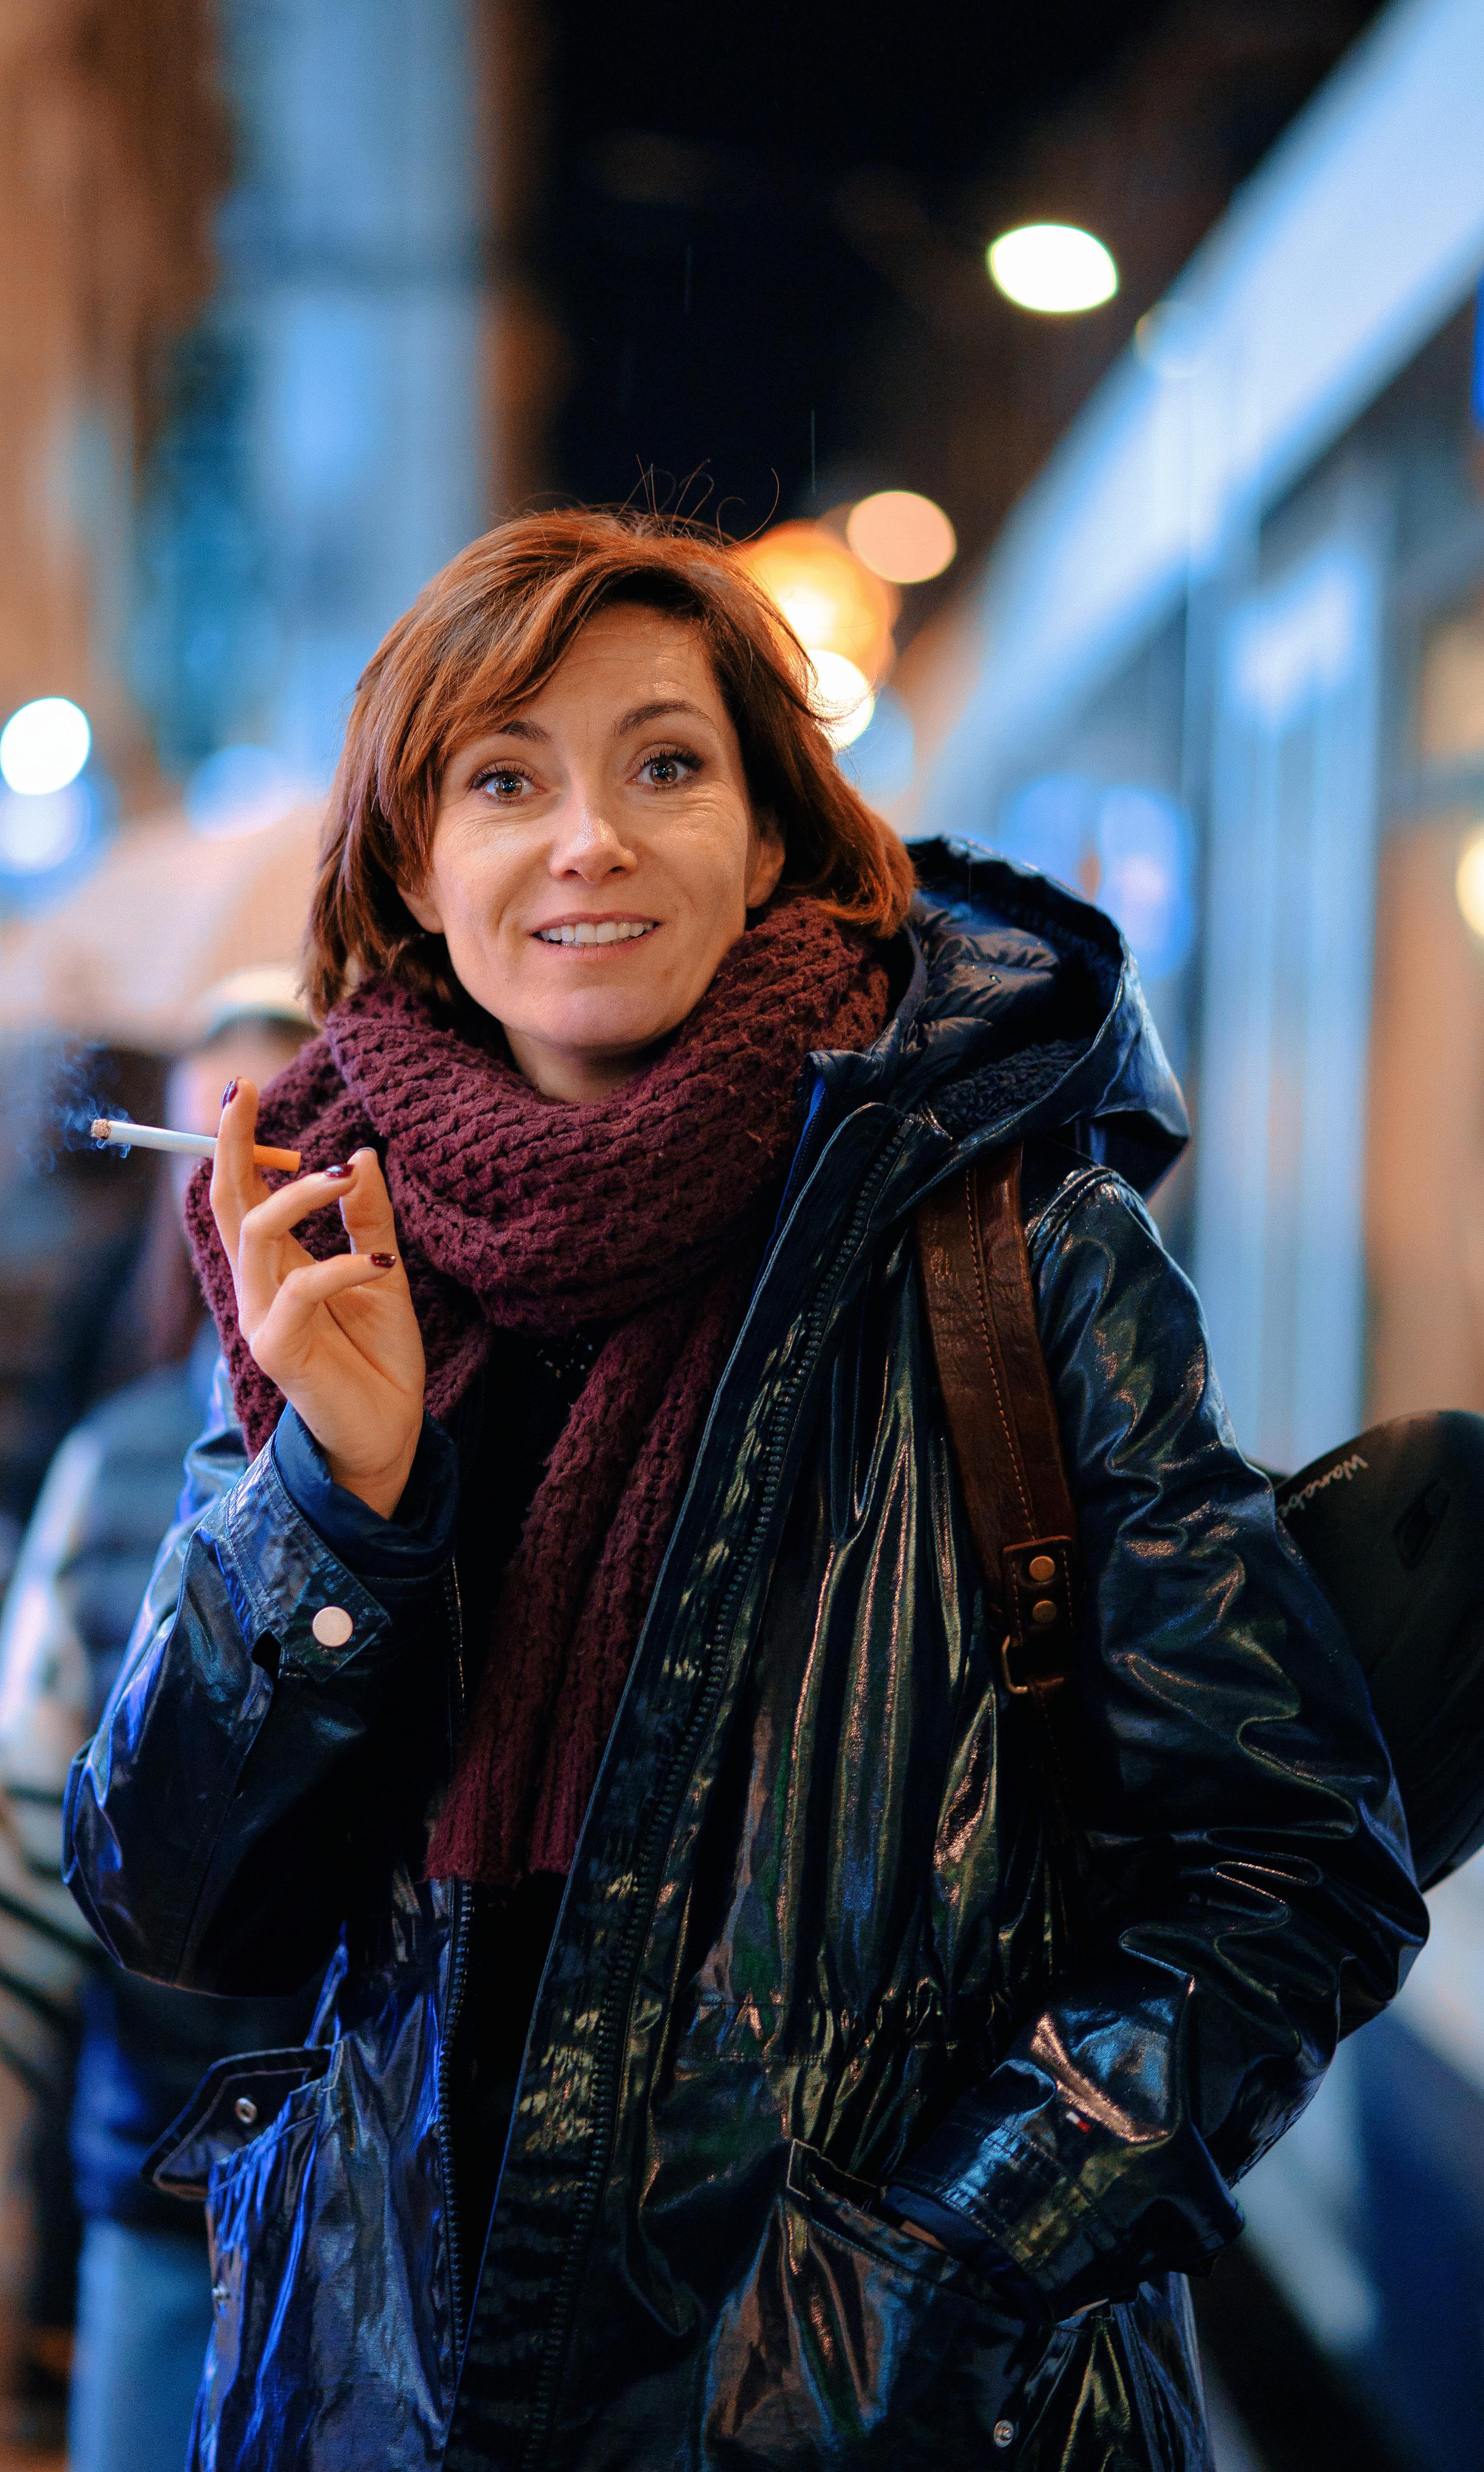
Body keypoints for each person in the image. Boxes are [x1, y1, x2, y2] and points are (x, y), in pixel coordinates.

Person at [63, 511, 1425, 2471]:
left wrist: (917, 2297)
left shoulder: (1009, 1247)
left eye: (665, 766)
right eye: (504, 781)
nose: (587, 841)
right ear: (415, 865)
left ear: (769, 831)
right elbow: (176, 1898)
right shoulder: (331, 1251)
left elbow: (1289, 1865)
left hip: (877, 2419)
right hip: (385, 2404)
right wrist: (334, 1509)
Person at [0, 978, 315, 2472]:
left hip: (360, 2179)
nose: (224, 1194)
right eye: (195, 1147)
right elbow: (26, 1850)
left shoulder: (437, 1447)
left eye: (269, 1137)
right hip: (150, 2162)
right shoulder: (117, 1462)